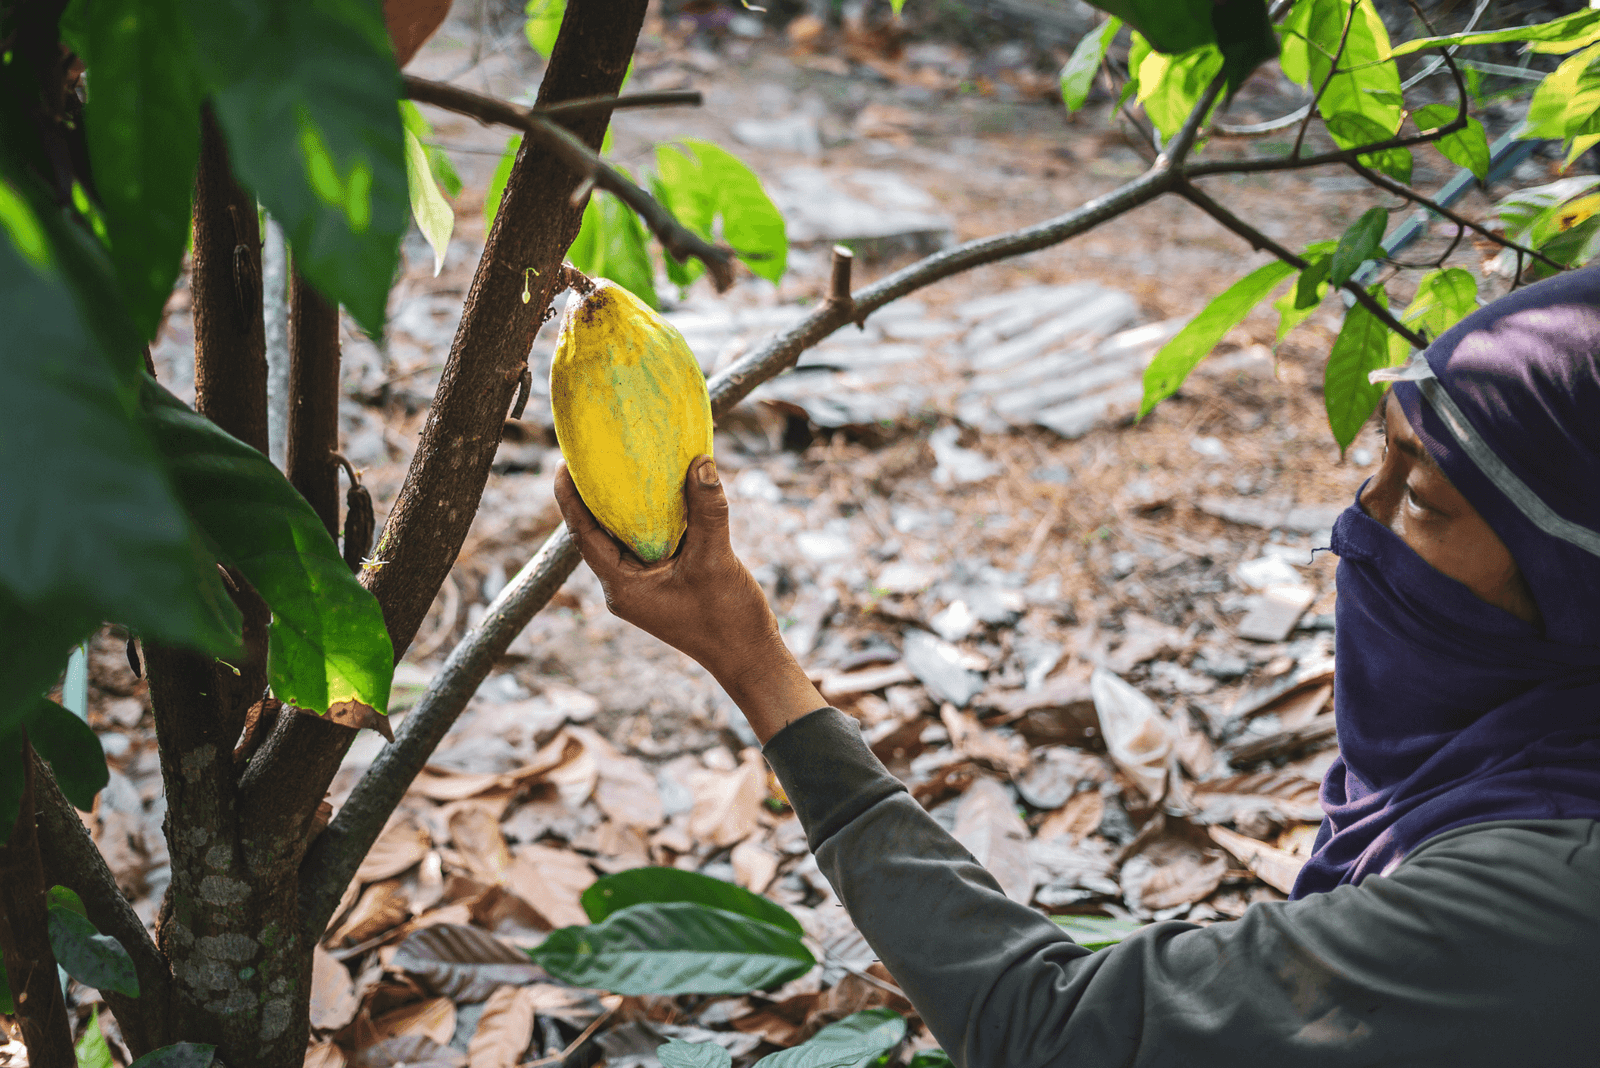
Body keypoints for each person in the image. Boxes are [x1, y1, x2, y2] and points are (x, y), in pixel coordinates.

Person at [552, 266, 1600, 1067]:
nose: (1355, 524)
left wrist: (751, 658)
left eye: (1420, 500)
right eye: (1375, 461)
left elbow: (1049, 1031)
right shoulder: (1520, 770)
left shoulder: (1537, 905)